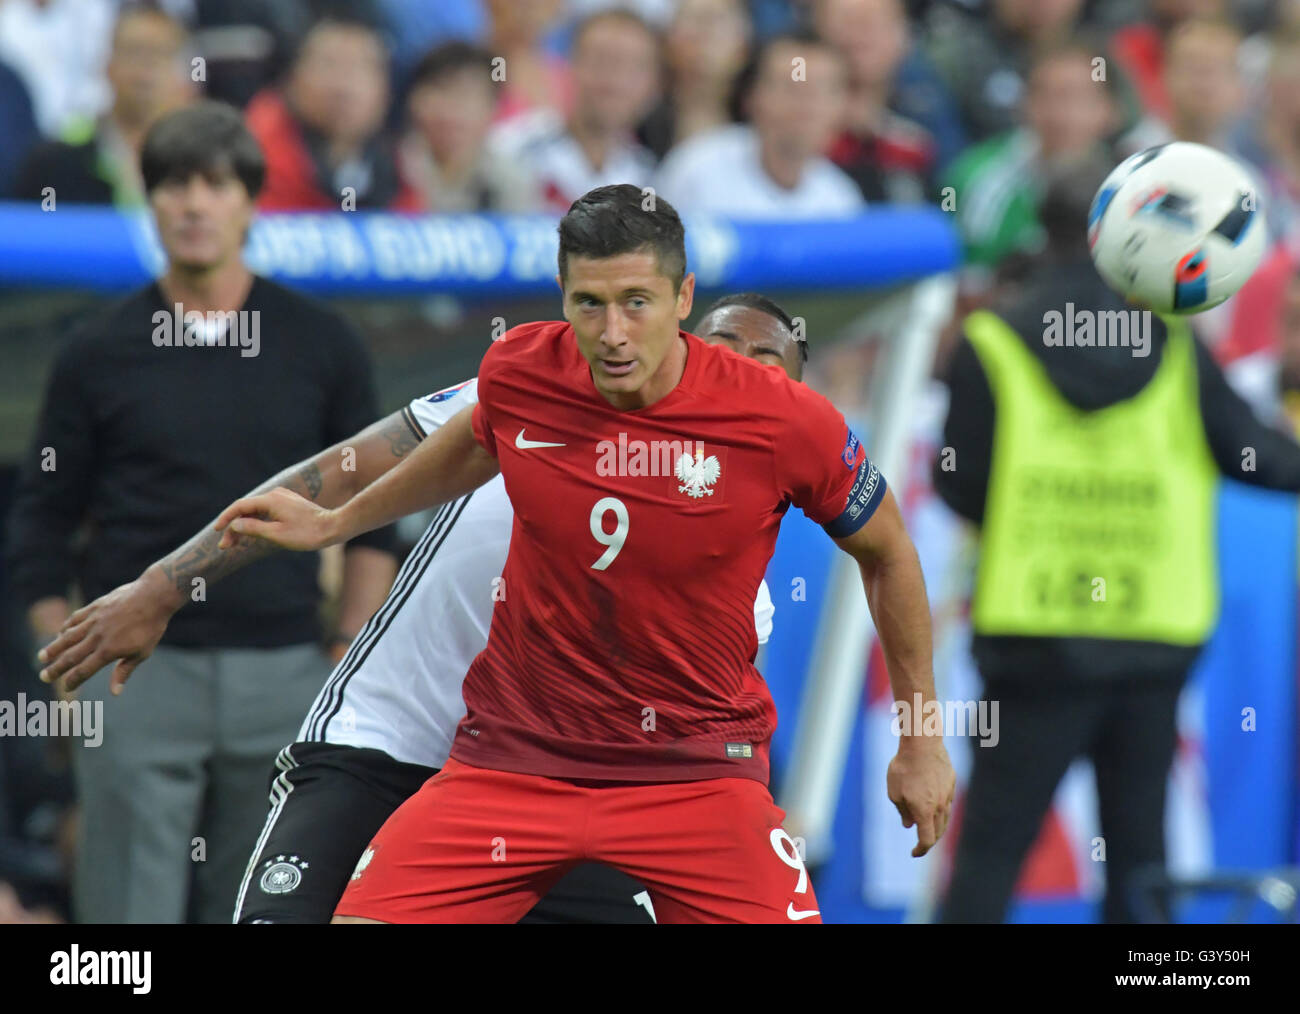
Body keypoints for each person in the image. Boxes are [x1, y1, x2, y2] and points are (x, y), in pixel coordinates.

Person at [193, 184, 953, 924]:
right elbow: (477, 437)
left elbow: (890, 554)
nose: (613, 332)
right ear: (562, 296)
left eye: (636, 303)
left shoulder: (785, 419)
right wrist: (339, 523)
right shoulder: (524, 370)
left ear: (683, 297)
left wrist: (921, 739)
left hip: (693, 780)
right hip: (511, 766)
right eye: (589, 303)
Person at [38, 291, 808, 925]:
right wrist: (163, 587)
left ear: (791, 404)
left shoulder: (746, 595)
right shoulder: (528, 399)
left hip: (545, 794)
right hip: (382, 747)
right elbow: (336, 474)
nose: (732, 377)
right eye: (718, 350)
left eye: (762, 367)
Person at [4, 101, 398, 924]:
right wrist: (64, 664)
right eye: (172, 185)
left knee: (263, 909)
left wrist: (343, 651)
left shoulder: (321, 343)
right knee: (124, 923)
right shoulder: (97, 350)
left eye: (214, 184)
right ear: (148, 203)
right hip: (134, 676)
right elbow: (42, 520)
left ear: (250, 200)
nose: (192, 205)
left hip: (290, 669)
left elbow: (372, 515)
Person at [932, 153, 1300, 923]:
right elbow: (1256, 457)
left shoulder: (991, 339)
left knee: (993, 849)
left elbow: (957, 482)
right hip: (1152, 637)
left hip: (1034, 635)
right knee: (1140, 857)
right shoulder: (1170, 341)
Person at [654, 32, 863, 218]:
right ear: (752, 96)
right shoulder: (697, 167)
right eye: (791, 86)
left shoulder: (841, 199)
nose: (807, 103)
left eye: (823, 90)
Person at [11, 5, 195, 206]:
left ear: (186, 78)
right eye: (134, 52)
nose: (146, 66)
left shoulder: (203, 163)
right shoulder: (55, 162)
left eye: (160, 54)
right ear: (106, 65)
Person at [488, 8, 661, 213]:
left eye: (633, 67)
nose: (615, 79)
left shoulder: (649, 177)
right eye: (601, 60)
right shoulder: (512, 149)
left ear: (654, 84)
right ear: (570, 66)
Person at [244, 12, 420, 211]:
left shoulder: (403, 170)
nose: (344, 87)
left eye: (360, 69)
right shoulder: (253, 155)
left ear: (386, 92)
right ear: (293, 78)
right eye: (329, 65)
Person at [396, 42, 539, 212]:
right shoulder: (392, 169)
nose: (452, 108)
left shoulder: (509, 180)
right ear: (415, 99)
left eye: (467, 95)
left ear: (494, 107)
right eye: (442, 90)